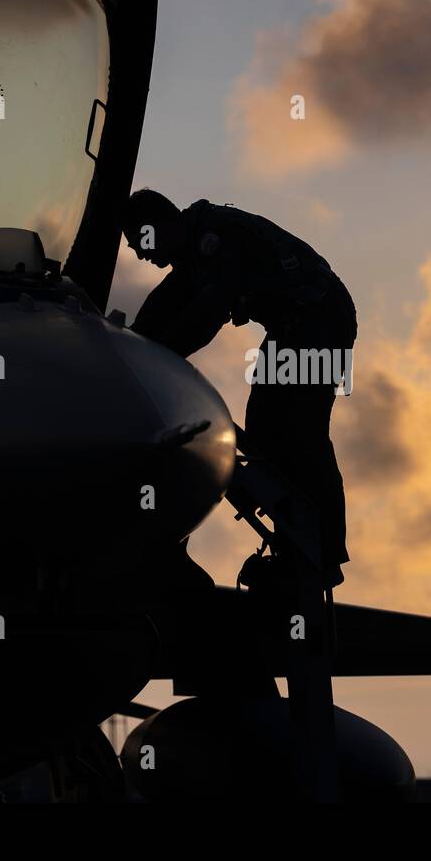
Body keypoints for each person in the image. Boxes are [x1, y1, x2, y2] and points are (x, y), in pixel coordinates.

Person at [122, 189, 356, 589]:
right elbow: (167, 300)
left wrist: (158, 359)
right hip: (297, 326)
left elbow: (208, 312)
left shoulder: (217, 239)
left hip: (320, 321)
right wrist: (127, 345)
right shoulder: (196, 247)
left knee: (297, 433)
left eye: (141, 244)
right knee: (266, 432)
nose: (141, 256)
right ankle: (297, 552)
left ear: (157, 228)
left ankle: (322, 555)